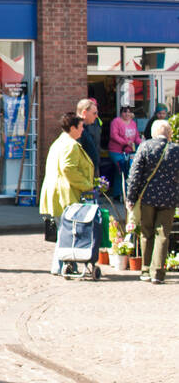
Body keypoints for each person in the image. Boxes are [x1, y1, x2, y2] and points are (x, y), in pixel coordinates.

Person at [38, 111, 96, 277]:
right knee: (66, 232)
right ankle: (62, 265)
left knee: (63, 232)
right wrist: (87, 185)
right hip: (64, 195)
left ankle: (59, 265)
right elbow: (68, 169)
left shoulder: (59, 142)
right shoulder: (70, 145)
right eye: (80, 126)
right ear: (72, 128)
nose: (83, 130)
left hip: (56, 194)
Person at [125, 120, 179, 284]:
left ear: (154, 132)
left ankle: (146, 269)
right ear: (169, 133)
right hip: (169, 198)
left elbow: (135, 174)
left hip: (147, 198)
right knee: (163, 235)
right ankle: (158, 273)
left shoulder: (145, 146)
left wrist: (130, 197)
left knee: (146, 233)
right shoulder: (176, 149)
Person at [107, 105, 140, 200]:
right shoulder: (116, 121)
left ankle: (117, 194)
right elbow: (114, 135)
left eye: (129, 112)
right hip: (116, 151)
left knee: (119, 172)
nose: (127, 114)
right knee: (124, 170)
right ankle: (126, 194)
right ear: (121, 113)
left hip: (129, 152)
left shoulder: (133, 123)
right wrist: (126, 142)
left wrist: (142, 142)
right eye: (125, 111)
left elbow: (136, 136)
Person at [77, 98, 102, 181]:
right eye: (94, 113)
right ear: (84, 113)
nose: (97, 116)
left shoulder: (85, 128)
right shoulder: (77, 132)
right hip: (83, 178)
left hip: (90, 174)